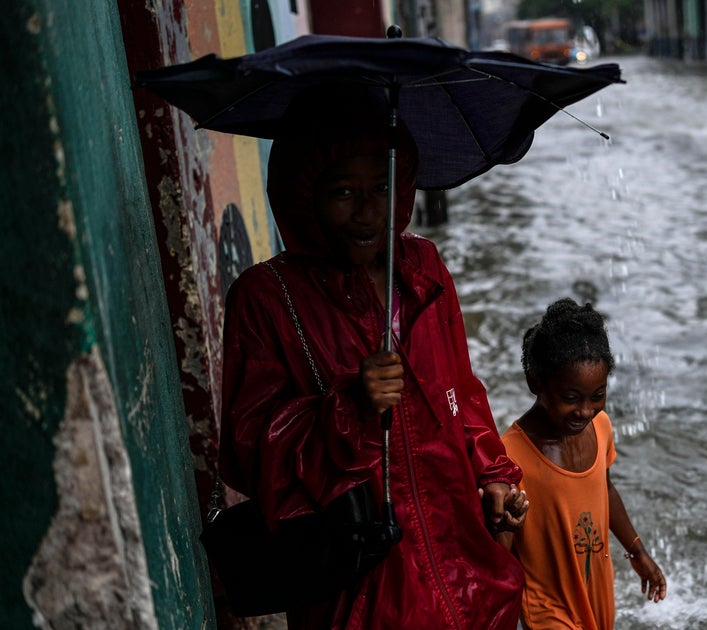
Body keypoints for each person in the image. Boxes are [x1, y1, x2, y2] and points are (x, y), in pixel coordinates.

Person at [219, 92, 526, 629]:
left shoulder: (423, 267)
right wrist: (351, 408)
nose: (367, 213)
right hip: (360, 582)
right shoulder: (266, 298)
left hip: (462, 563)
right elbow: (249, 453)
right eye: (343, 193)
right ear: (304, 194)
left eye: (381, 188)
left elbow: (461, 392)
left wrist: (493, 474)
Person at [497, 298, 667, 630]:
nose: (585, 411)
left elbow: (604, 488)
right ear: (536, 383)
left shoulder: (601, 428)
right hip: (546, 607)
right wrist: (506, 524)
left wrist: (637, 550)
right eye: (571, 398)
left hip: (595, 594)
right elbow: (496, 552)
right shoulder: (510, 454)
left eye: (597, 396)